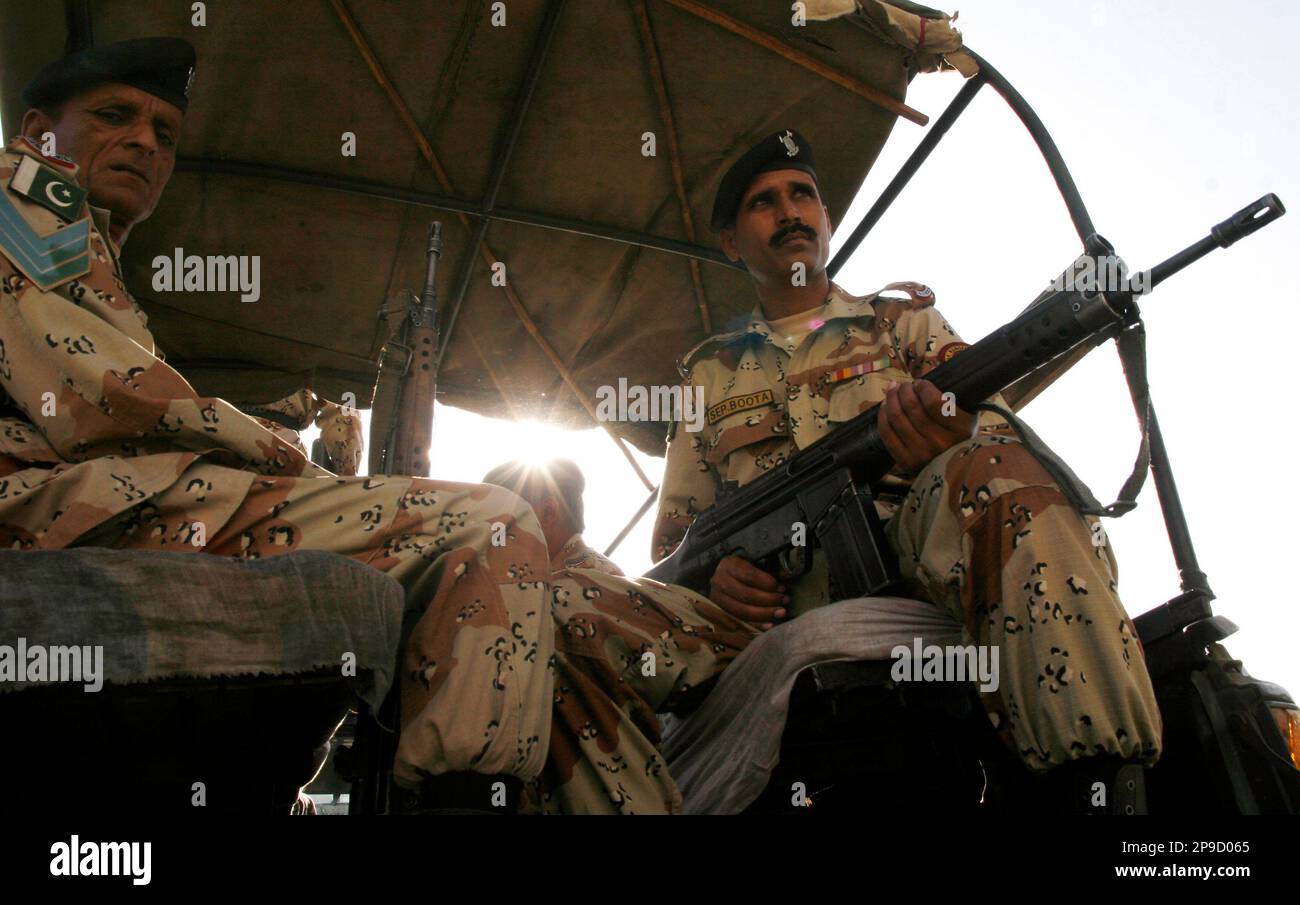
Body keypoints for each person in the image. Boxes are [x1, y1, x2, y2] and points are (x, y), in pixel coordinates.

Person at [0, 37, 735, 814]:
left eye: (165, 133)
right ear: (38, 129)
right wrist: (294, 463)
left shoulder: (86, 240)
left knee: (527, 628)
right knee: (490, 525)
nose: (145, 143)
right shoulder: (24, 192)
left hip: (107, 501)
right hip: (58, 506)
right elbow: (108, 399)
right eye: (115, 116)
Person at [652, 129, 1163, 781]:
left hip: (923, 551)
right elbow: (673, 545)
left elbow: (998, 429)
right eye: (764, 202)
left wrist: (957, 438)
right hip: (774, 608)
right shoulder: (706, 377)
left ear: (826, 219)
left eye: (802, 195)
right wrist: (721, 578)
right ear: (731, 242)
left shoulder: (901, 323)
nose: (789, 213)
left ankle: (1095, 779)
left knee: (995, 468)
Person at [482, 458, 757, 813]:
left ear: (546, 513)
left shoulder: (568, 600)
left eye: (497, 524)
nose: (488, 539)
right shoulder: (578, 585)